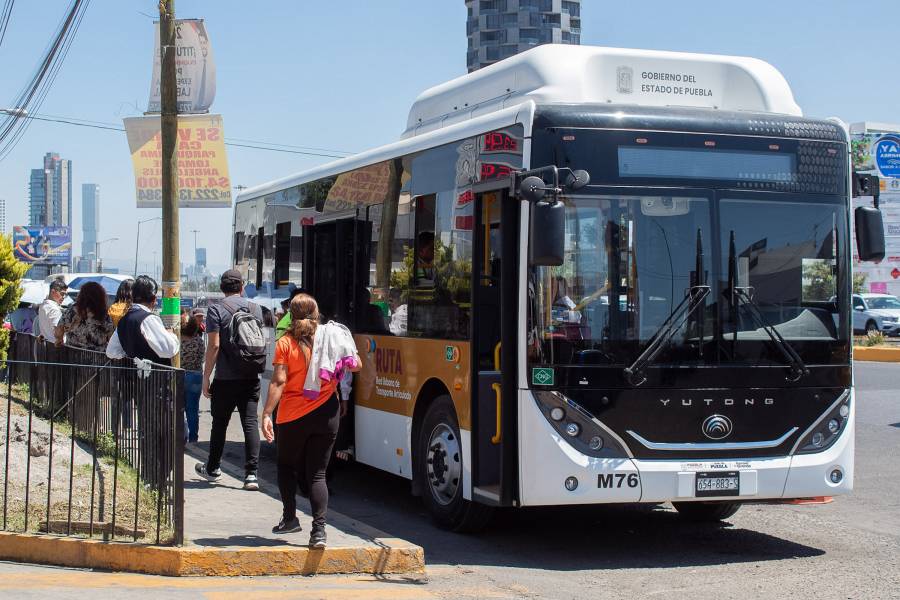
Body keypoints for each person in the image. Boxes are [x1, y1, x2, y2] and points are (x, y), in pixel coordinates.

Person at [261, 293, 360, 546]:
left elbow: (279, 381)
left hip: (292, 415)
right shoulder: (330, 338)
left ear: (290, 315)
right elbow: (355, 365)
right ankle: (319, 532)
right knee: (318, 473)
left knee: (286, 466)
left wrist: (266, 413)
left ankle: (290, 518)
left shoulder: (285, 342)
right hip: (327, 413)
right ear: (316, 314)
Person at [195, 270, 264, 491]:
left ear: (221, 288)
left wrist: (206, 376)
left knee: (220, 424)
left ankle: (213, 468)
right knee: (250, 423)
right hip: (251, 376)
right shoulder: (256, 309)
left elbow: (214, 345)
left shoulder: (216, 310)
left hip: (225, 378)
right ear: (242, 286)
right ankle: (251, 475)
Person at [105, 275, 180, 364]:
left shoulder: (123, 319)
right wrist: (171, 334)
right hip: (153, 372)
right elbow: (169, 350)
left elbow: (112, 352)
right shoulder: (149, 319)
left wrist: (132, 355)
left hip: (133, 372)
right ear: (154, 299)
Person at [55, 281, 114, 351]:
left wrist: (59, 339)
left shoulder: (71, 310)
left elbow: (59, 330)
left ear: (81, 295)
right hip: (96, 354)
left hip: (73, 352)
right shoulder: (104, 314)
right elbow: (111, 337)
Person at [181, 309, 205, 444]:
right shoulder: (199, 341)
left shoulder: (177, 340)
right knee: (193, 409)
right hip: (195, 375)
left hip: (179, 375)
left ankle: (180, 436)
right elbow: (202, 358)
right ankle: (193, 438)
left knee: (178, 408)